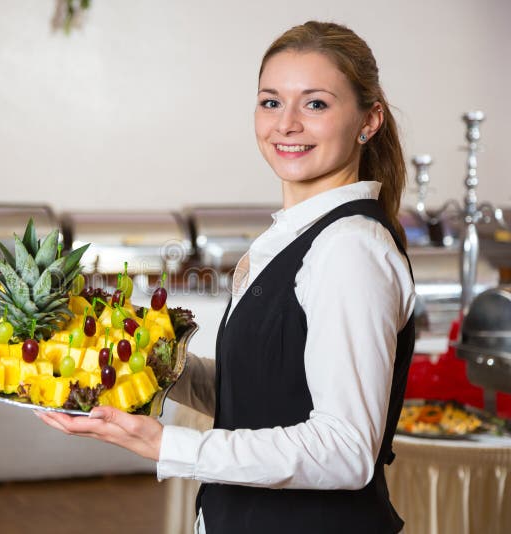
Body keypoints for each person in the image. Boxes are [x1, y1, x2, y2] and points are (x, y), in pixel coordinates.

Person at [37, 20, 416, 534]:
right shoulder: (299, 235)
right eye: (270, 102)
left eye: (315, 104)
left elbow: (346, 451)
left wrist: (163, 444)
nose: (286, 124)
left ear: (368, 121)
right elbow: (268, 395)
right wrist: (152, 363)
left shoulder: (350, 249)